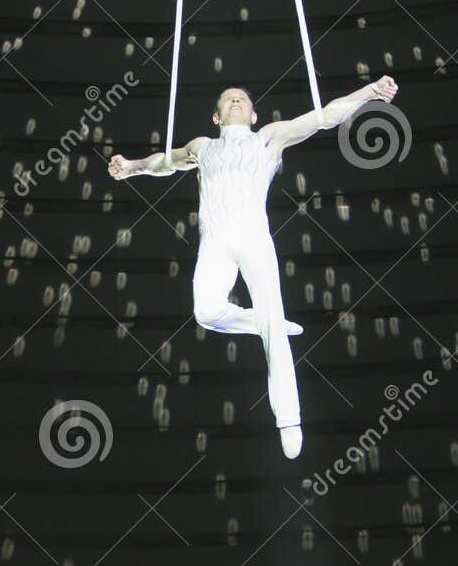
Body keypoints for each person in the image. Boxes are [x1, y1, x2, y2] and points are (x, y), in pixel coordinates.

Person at [108, 77, 401, 459]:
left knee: (273, 334)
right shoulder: (202, 146)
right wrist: (130, 167)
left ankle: (289, 418)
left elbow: (325, 117)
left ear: (253, 112)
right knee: (206, 312)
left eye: (242, 99)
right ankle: (268, 321)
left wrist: (369, 93)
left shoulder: (269, 137)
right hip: (214, 240)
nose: (235, 101)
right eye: (228, 99)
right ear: (216, 116)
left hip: (253, 237)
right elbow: (164, 163)